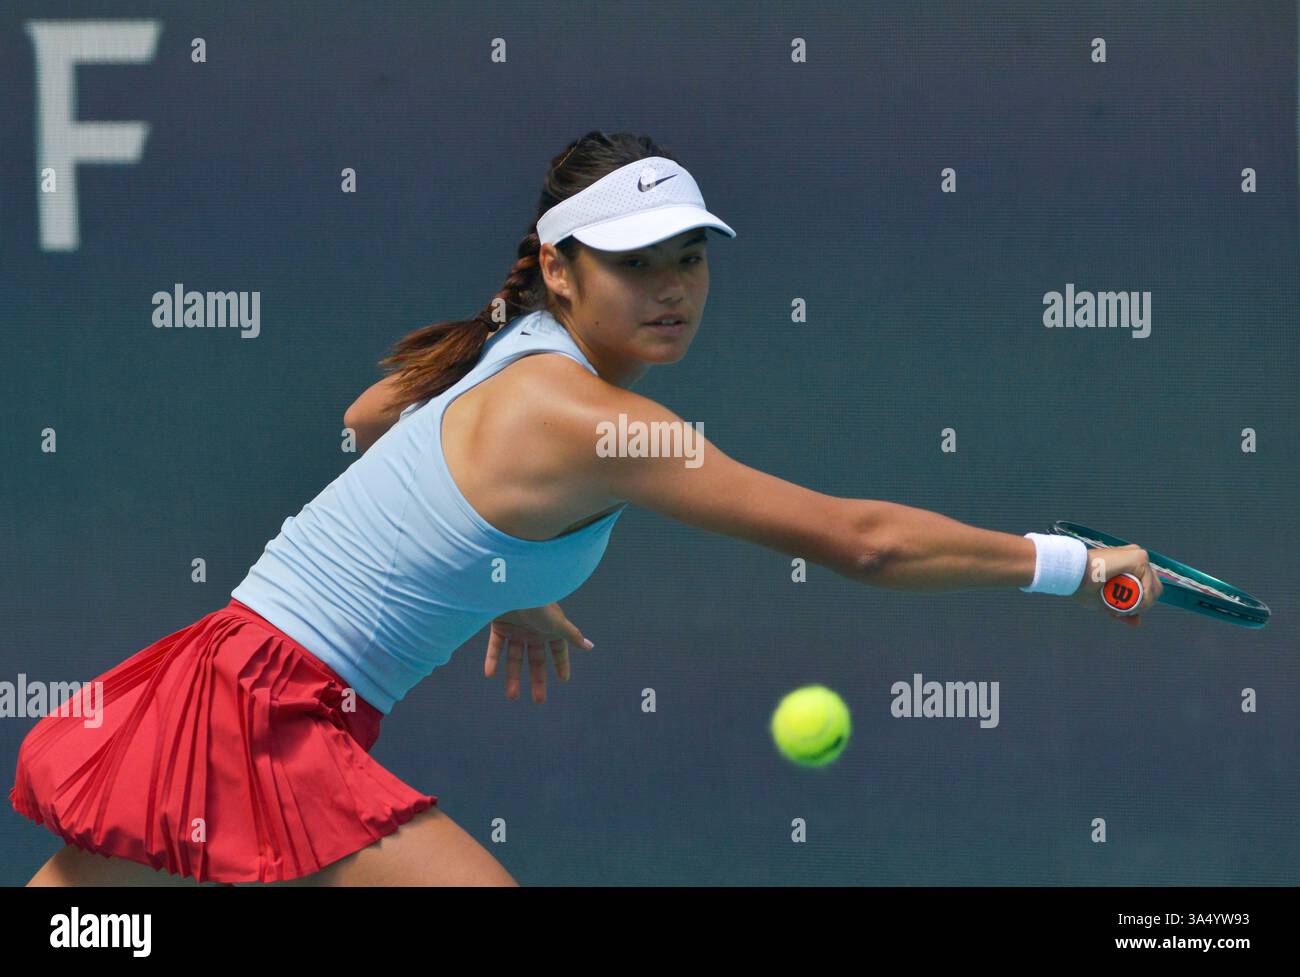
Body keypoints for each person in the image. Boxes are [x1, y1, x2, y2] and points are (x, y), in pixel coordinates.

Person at [11, 130, 1162, 887]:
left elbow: (372, 421)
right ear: (561, 267)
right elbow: (857, 542)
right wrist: (1072, 559)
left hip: (224, 677)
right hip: (264, 709)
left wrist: (502, 575)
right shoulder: (593, 419)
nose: (671, 289)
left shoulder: (515, 348)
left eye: (689, 261)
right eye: (636, 262)